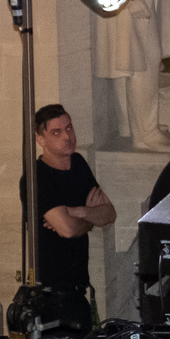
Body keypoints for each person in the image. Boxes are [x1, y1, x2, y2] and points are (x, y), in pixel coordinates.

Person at [24, 105, 114, 297]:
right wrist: (90, 220)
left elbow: (109, 213)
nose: (67, 137)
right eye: (56, 132)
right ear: (40, 139)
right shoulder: (37, 177)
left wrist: (77, 211)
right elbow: (68, 230)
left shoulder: (78, 163)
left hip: (78, 285)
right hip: (49, 291)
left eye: (69, 128)